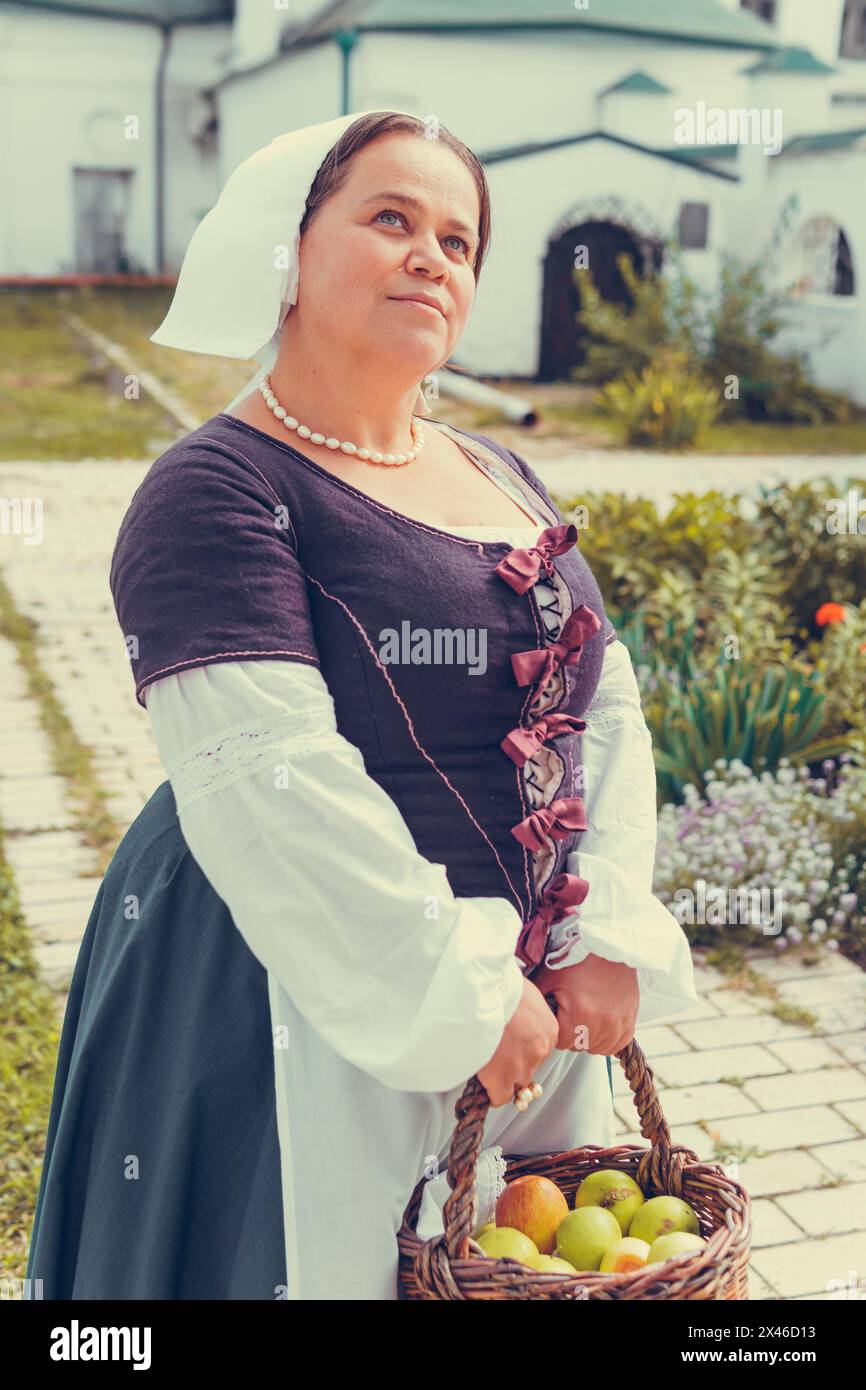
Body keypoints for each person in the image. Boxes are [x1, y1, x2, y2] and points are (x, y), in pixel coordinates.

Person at [25, 109, 697, 1302]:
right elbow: (270, 777)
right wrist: (461, 996)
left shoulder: (498, 469)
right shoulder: (214, 491)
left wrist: (603, 934)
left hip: (527, 998)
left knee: (512, 1262)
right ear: (288, 249)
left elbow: (604, 703)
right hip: (295, 979)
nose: (431, 255)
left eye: (458, 239)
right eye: (390, 218)